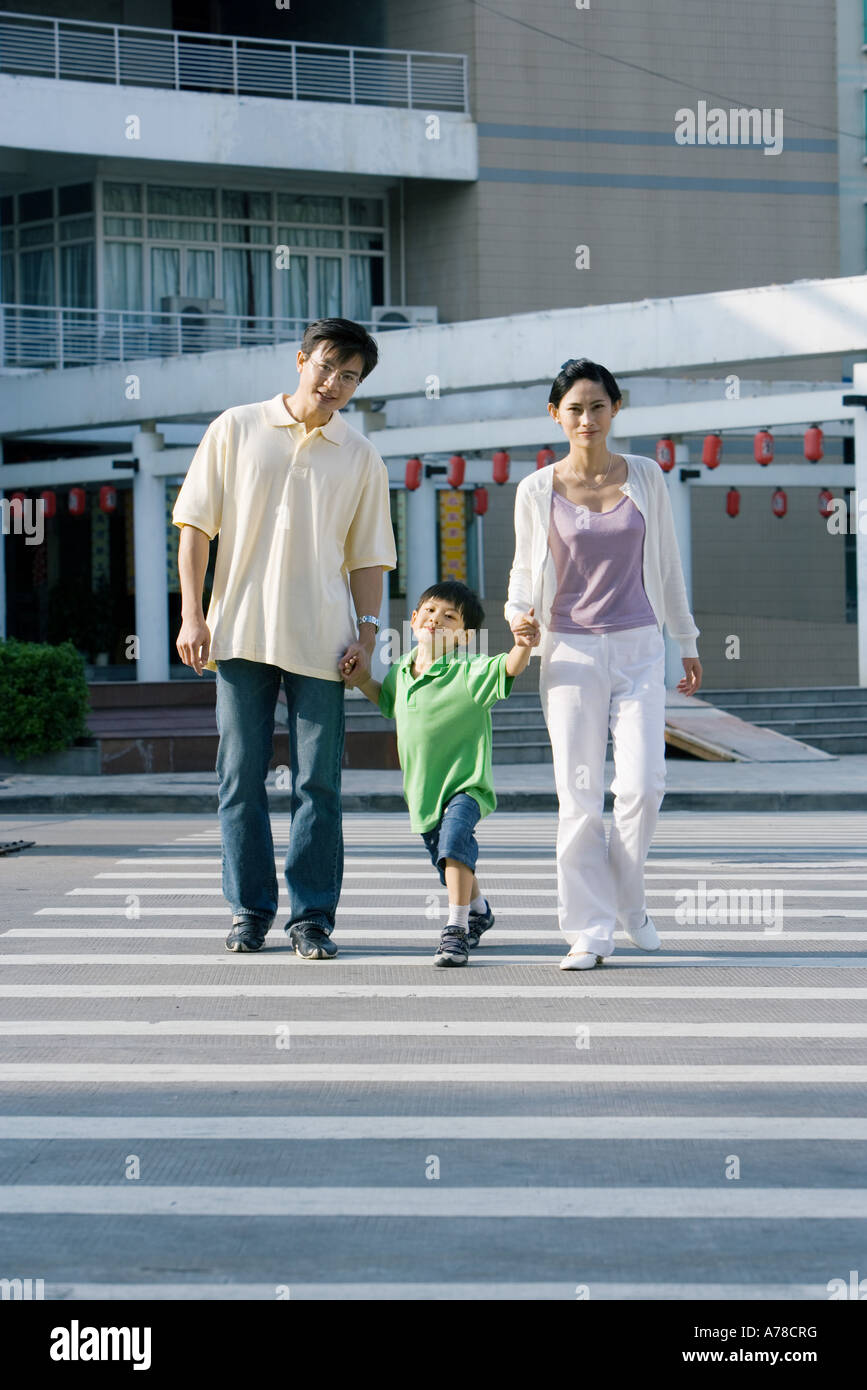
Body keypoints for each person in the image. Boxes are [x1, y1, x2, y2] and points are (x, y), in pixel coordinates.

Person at [173, 318, 397, 961]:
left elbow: (369, 559)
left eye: (350, 376)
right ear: (301, 359)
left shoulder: (359, 455)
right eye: (326, 366)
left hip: (324, 643)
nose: (334, 383)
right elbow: (194, 527)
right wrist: (193, 616)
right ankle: (249, 911)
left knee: (318, 784)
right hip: (240, 633)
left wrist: (369, 635)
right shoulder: (237, 428)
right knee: (240, 777)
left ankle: (312, 918)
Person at [505, 358, 702, 970]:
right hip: (568, 649)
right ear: (555, 415)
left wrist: (687, 640)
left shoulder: (645, 475)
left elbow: (667, 564)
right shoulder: (537, 488)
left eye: (597, 406)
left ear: (616, 409)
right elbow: (522, 566)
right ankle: (590, 930)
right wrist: (518, 614)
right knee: (580, 798)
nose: (586, 419)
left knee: (644, 786)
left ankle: (628, 899)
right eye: (574, 408)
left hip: (640, 643)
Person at [353, 580, 538, 967]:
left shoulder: (469, 671)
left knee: (455, 842)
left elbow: (507, 667)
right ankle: (479, 910)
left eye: (450, 617)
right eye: (431, 611)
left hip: (465, 786)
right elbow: (386, 700)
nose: (437, 619)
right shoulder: (401, 671)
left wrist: (522, 646)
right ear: (415, 618)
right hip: (422, 791)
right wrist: (360, 680)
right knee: (450, 858)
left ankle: (455, 931)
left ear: (464, 636)